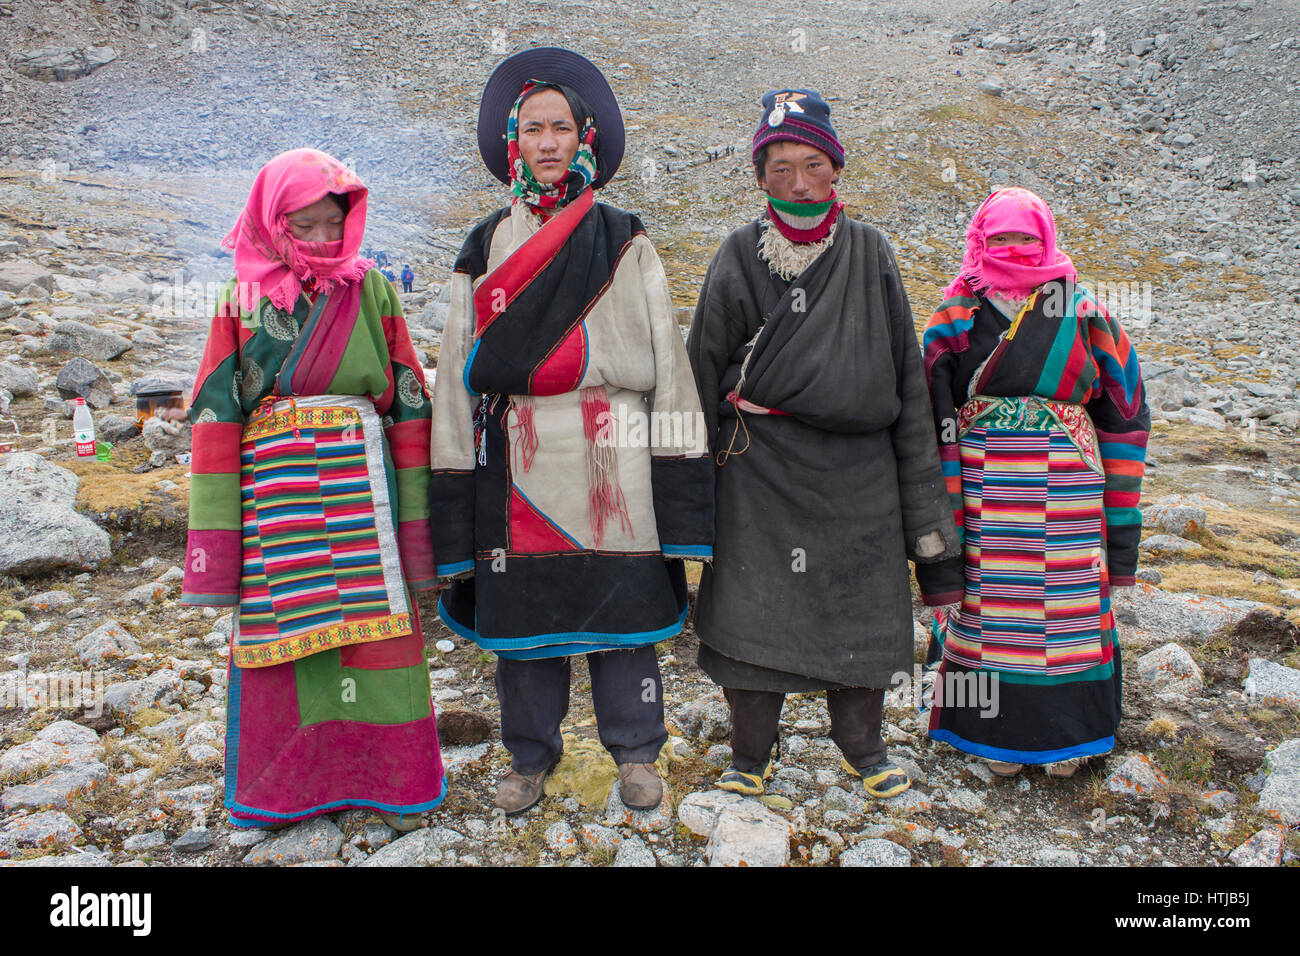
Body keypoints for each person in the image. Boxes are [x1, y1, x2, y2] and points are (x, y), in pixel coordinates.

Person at [430, 48, 714, 816]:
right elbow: (456, 375)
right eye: (532, 130)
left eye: (561, 127)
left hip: (612, 461)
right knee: (526, 624)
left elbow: (668, 362)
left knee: (625, 621)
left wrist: (681, 483)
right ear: (513, 143)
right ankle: (528, 757)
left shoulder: (626, 238)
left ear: (584, 137)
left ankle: (637, 751)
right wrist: (453, 491)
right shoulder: (484, 246)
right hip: (516, 463)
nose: (548, 142)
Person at [686, 89, 958, 800]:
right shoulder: (737, 255)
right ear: (759, 177)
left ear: (836, 169)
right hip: (757, 471)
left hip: (859, 480)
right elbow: (697, 373)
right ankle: (752, 753)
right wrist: (691, 496)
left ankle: (862, 745)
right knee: (752, 613)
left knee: (863, 613)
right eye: (779, 168)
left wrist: (925, 509)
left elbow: (907, 383)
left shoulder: (871, 253)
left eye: (813, 165)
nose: (799, 183)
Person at [180, 147, 445, 830]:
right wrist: (214, 556)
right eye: (307, 226)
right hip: (276, 500)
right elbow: (215, 418)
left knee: (375, 642)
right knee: (280, 646)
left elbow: (410, 405)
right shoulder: (238, 299)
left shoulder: (375, 289)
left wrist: (420, 538)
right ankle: (281, 794)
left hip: (365, 494)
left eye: (336, 223)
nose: (327, 240)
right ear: (272, 223)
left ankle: (389, 784)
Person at [917, 186, 1149, 778]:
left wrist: (1121, 540)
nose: (1014, 249)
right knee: (991, 609)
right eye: (1000, 239)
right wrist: (938, 527)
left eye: (1026, 238)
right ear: (979, 242)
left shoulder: (1087, 313)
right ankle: (992, 735)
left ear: (1045, 239)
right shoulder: (953, 320)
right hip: (985, 497)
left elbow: (1125, 418)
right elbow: (928, 425)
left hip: (1068, 496)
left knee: (1066, 609)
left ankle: (1070, 735)